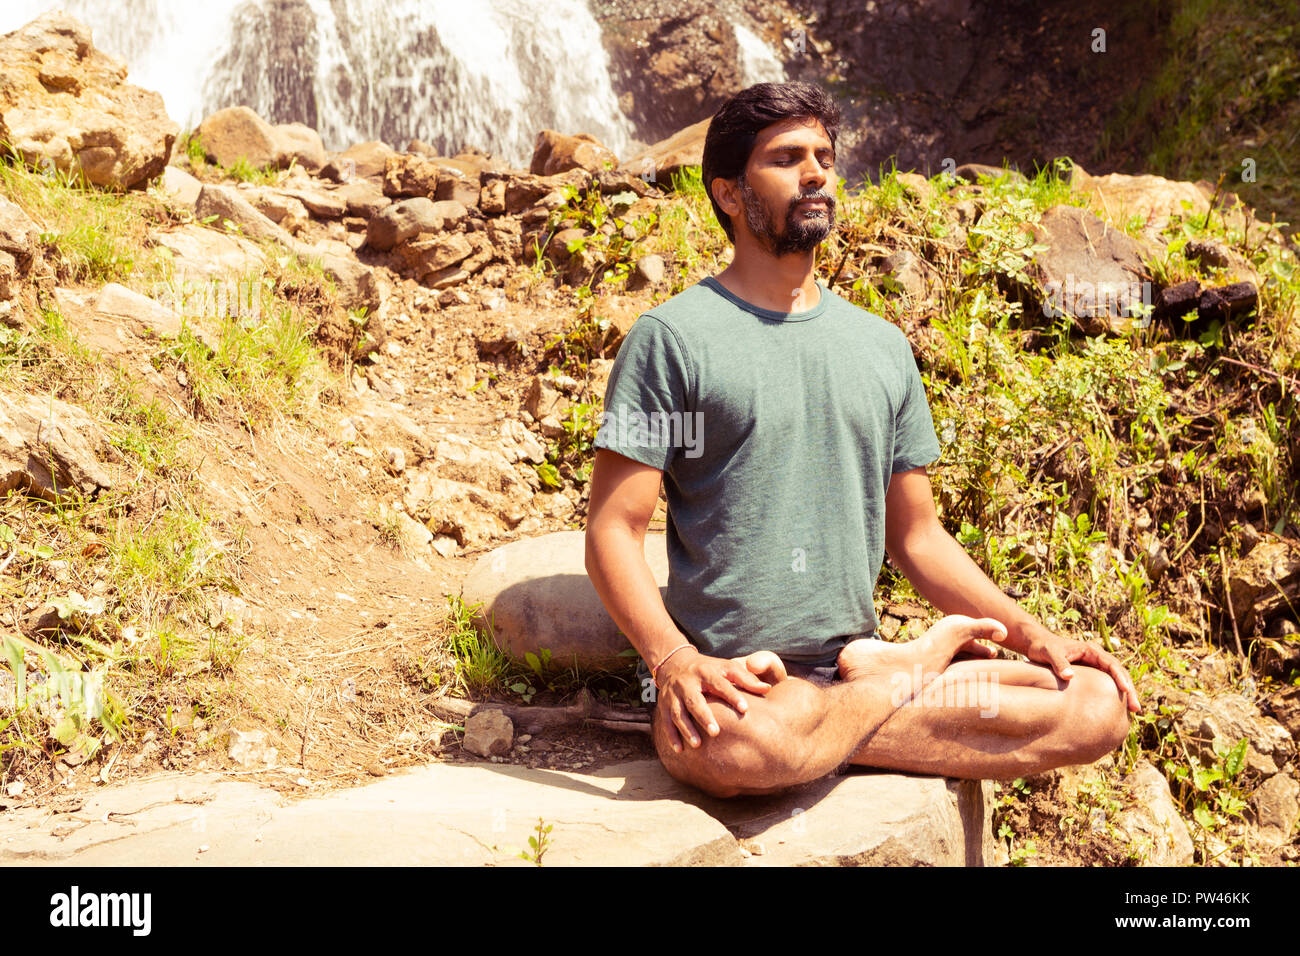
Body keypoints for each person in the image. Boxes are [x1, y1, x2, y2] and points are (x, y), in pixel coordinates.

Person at [584, 81, 1139, 799]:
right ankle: (903, 674)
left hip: (847, 657)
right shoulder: (672, 341)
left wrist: (1035, 635)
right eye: (787, 158)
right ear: (728, 193)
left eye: (824, 155)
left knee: (1096, 706)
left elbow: (919, 539)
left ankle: (834, 720)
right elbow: (611, 530)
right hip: (739, 685)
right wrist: (675, 665)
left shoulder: (880, 348)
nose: (816, 172)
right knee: (737, 747)